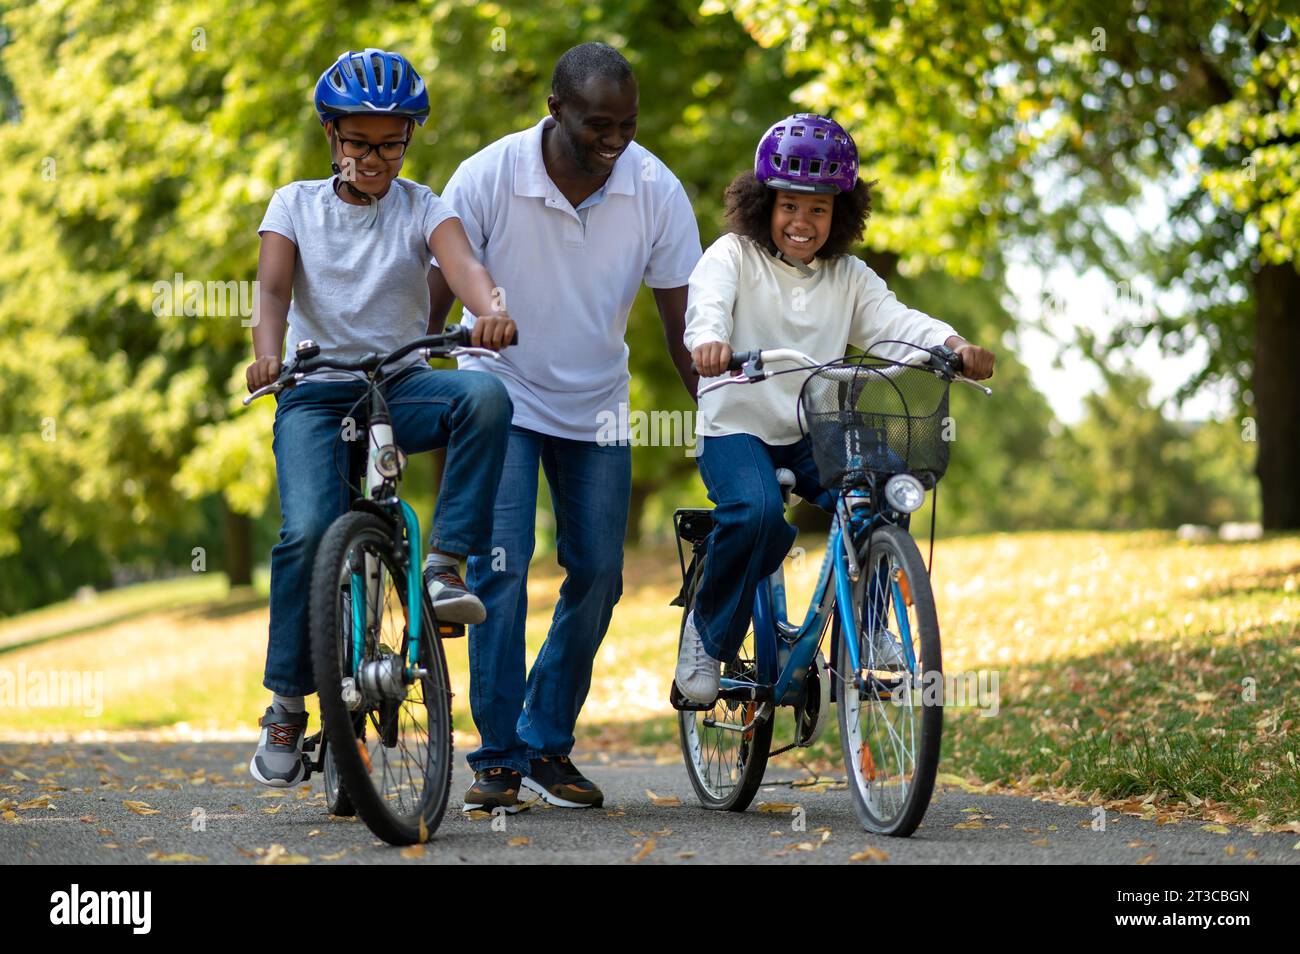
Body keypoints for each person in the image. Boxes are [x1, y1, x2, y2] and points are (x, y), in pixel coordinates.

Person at [427, 42, 702, 812]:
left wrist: (721, 410)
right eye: (598, 124)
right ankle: (498, 758)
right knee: (500, 573)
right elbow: (437, 291)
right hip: (500, 395)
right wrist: (412, 390)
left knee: (599, 576)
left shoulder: (654, 187)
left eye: (628, 123)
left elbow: (685, 327)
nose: (615, 140)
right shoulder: (486, 176)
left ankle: (546, 739)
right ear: (555, 111)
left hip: (599, 405)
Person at [246, 49, 516, 788]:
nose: (375, 157)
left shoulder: (424, 205)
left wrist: (490, 310)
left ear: (408, 139)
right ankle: (285, 702)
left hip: (399, 385)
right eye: (359, 141)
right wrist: (268, 356)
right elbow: (271, 294)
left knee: (486, 397)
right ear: (332, 136)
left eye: (390, 142)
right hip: (315, 391)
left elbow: (462, 266)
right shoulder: (293, 205)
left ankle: (442, 565)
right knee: (306, 532)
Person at [674, 113, 996, 704]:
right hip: (736, 424)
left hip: (811, 425)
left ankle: (871, 627)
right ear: (764, 203)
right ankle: (706, 633)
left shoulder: (847, 276)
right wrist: (708, 344)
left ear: (840, 214)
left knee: (884, 481)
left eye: (819, 209)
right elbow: (708, 307)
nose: (802, 222)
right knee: (758, 515)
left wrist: (952, 346)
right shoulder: (733, 256)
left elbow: (895, 324)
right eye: (790, 206)